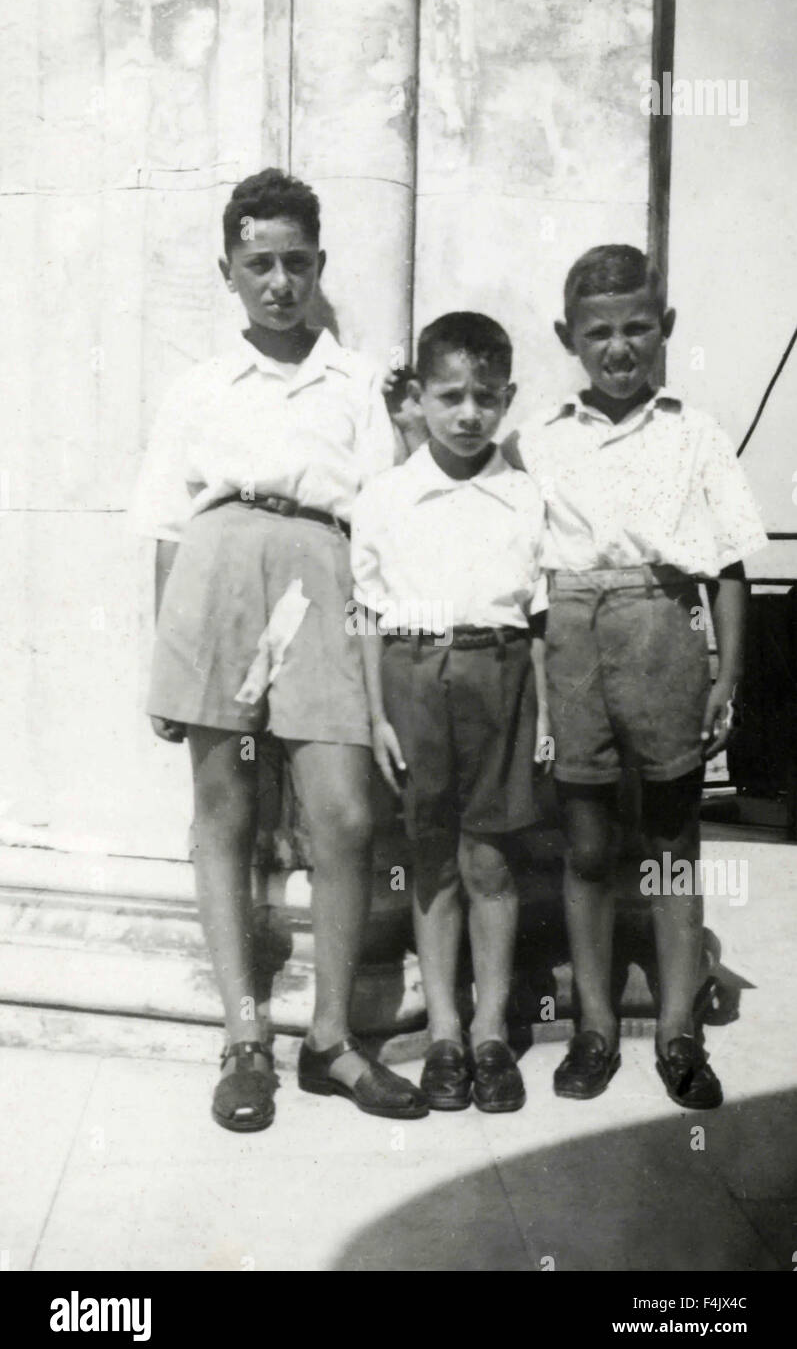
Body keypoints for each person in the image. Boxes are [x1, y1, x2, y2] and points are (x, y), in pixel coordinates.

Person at [130, 168, 427, 1130]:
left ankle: (332, 1040)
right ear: (229, 271)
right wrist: (170, 654)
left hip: (324, 574)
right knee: (223, 810)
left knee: (342, 813)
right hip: (217, 576)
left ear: (320, 265)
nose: (279, 282)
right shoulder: (199, 387)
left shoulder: (357, 383)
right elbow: (170, 527)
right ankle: (246, 1036)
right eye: (259, 263)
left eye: (297, 262)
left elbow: (383, 524)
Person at [512, 244, 767, 1108]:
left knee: (670, 846)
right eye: (597, 333)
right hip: (572, 632)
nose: (618, 348)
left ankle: (678, 1031)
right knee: (585, 846)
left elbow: (727, 565)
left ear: (664, 327)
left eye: (635, 329)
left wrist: (724, 676)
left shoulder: (694, 432)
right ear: (567, 337)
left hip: (662, 631)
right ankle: (590, 1028)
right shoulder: (536, 440)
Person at [351, 312, 549, 1112]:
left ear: (506, 397)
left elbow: (538, 617)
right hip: (412, 673)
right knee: (433, 859)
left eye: (484, 397)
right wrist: (376, 715)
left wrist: (546, 718)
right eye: (449, 396)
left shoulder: (525, 494)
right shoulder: (388, 496)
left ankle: (492, 1030)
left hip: (500, 676)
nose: (468, 414)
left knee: (492, 862)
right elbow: (366, 612)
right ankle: (442, 1031)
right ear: (420, 400)